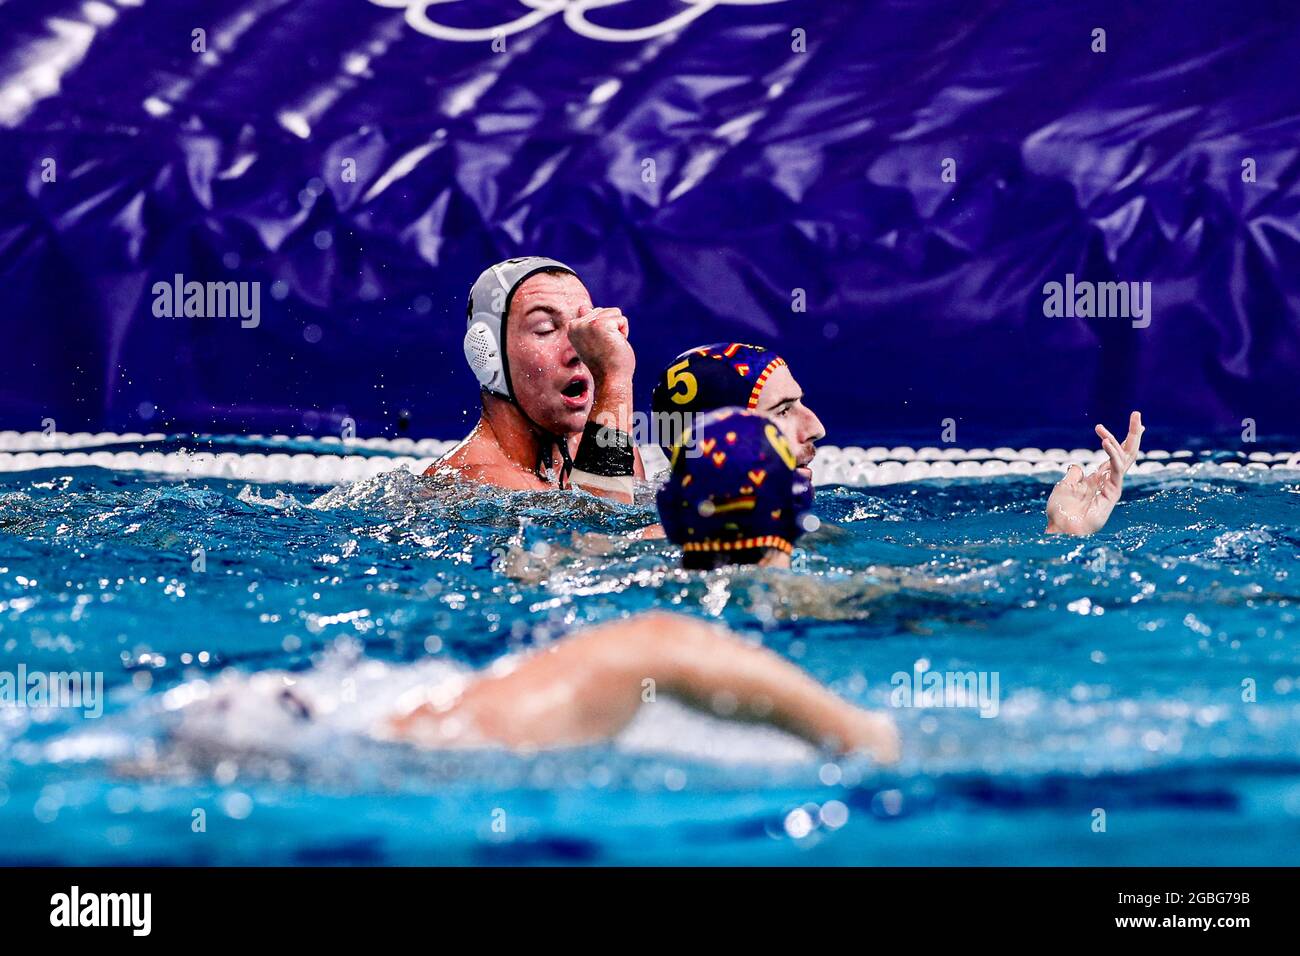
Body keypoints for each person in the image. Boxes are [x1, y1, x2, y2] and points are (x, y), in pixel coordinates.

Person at [388, 407, 899, 760]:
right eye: (783, 410)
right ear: (798, 510)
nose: (812, 425)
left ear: (673, 505)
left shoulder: (615, 559)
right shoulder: (851, 592)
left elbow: (569, 545)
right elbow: (658, 637)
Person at [653, 343, 1145, 536]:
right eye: (783, 411)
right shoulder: (662, 551)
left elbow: (940, 605)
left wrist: (1065, 533)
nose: (816, 427)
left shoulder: (812, 534)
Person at [427, 256, 645, 498]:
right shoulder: (466, 486)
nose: (580, 351)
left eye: (583, 328)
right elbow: (601, 531)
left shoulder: (604, 446)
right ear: (489, 353)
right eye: (545, 328)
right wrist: (614, 378)